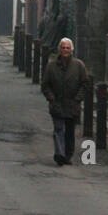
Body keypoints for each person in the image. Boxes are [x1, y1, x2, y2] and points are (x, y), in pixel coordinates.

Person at [41, 37, 88, 166]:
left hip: (72, 104)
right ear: (59, 50)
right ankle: (59, 154)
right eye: (63, 48)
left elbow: (85, 84)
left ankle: (67, 155)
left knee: (69, 131)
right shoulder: (51, 66)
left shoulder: (79, 65)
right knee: (58, 129)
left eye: (67, 48)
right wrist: (51, 98)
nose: (65, 50)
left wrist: (78, 98)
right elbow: (45, 85)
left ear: (71, 50)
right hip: (57, 103)